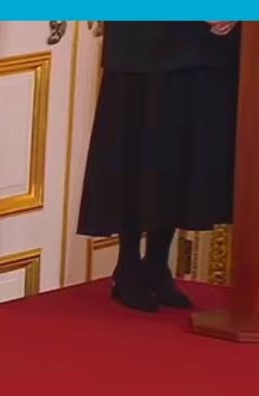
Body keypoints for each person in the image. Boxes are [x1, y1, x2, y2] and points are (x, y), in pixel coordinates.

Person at [77, 21, 241, 312]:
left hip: (202, 42)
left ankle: (156, 262)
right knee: (137, 144)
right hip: (143, 34)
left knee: (179, 147)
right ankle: (127, 265)